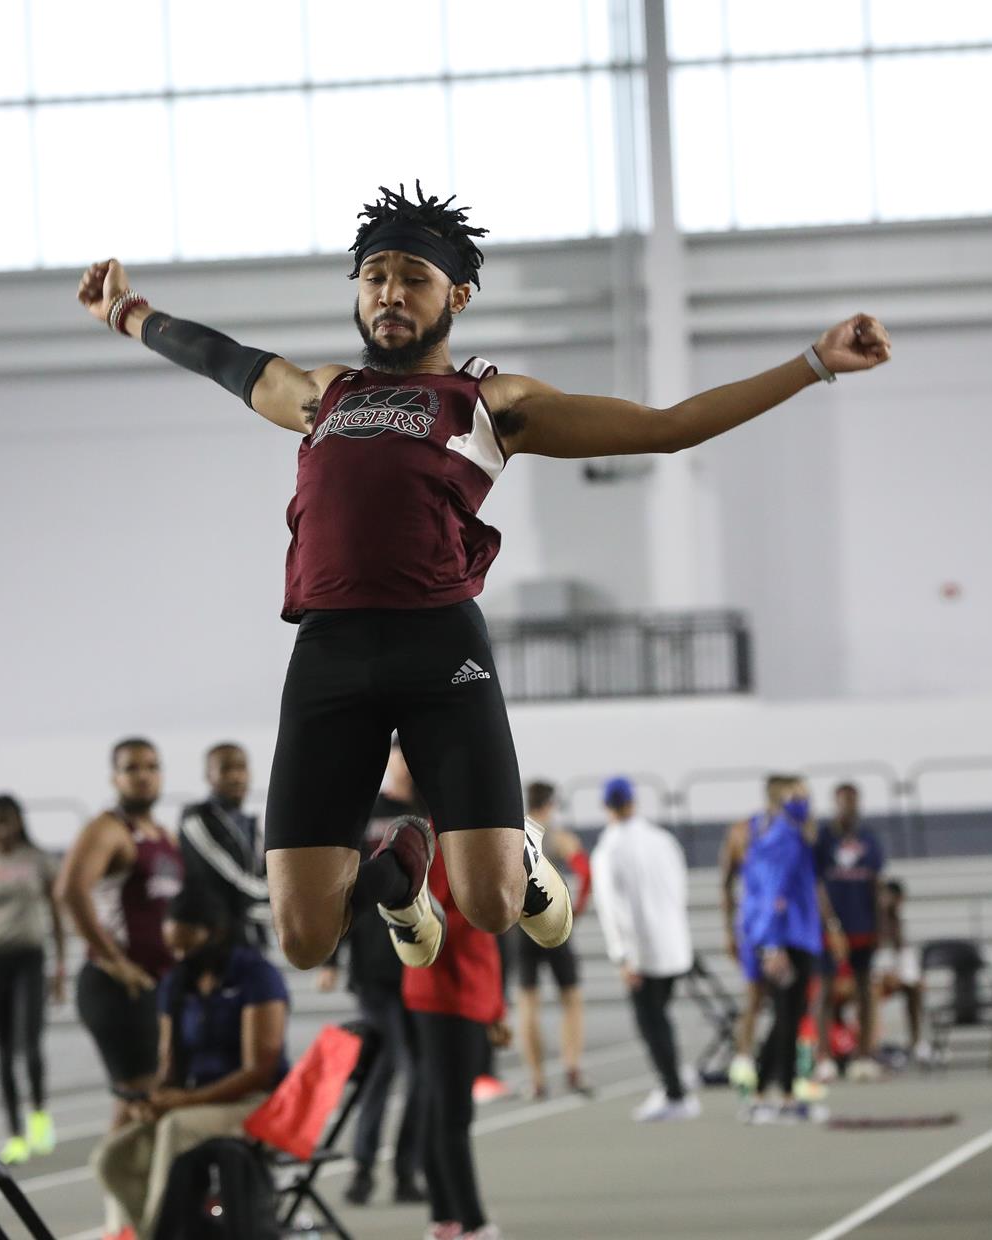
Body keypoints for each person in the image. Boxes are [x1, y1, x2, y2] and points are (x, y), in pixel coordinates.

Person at [77, 186, 891, 985]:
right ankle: (401, 884)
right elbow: (222, 360)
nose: (390, 292)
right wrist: (127, 312)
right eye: (375, 276)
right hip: (330, 654)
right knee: (302, 937)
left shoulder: (490, 402)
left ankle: (521, 851)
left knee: (496, 905)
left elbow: (668, 427)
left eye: (413, 277)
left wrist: (815, 362)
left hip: (441, 652)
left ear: (456, 295)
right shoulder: (322, 395)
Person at [97, 883, 290, 1239]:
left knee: (176, 1127)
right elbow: (169, 1067)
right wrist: (151, 1101)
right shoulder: (176, 984)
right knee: (112, 1157)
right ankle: (155, 1230)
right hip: (200, 1102)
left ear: (216, 933)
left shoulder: (256, 975)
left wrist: (185, 1101)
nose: (181, 955)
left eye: (188, 945)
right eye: (174, 948)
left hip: (258, 1103)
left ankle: (156, 1236)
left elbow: (258, 1071)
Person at [56, 739, 185, 1137]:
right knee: (139, 1100)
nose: (143, 775)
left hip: (157, 984)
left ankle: (147, 1194)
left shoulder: (164, 836)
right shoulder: (108, 829)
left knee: (152, 1098)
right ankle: (125, 1192)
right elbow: (70, 891)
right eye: (131, 768)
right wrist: (117, 961)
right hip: (119, 987)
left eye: (151, 766)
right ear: (115, 778)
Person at [319, 738, 427, 1207]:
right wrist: (330, 956)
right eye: (401, 754)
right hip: (375, 969)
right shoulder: (367, 812)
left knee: (417, 1074)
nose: (407, 764)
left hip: (423, 969)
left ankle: (404, 1171)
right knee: (386, 1070)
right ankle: (364, 1170)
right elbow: (341, 885)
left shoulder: (436, 811)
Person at [402, 843, 509, 1240]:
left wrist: (495, 1006)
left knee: (439, 1109)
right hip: (447, 991)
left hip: (455, 990)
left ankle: (446, 1217)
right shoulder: (442, 842)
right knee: (452, 1114)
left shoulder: (452, 837)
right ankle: (471, 1222)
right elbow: (442, 917)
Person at [0, 793, 67, 1164]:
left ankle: (39, 1116)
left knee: (31, 1043)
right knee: (2, 1050)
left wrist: (60, 969)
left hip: (29, 958)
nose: (1, 828)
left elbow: (56, 917)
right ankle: (15, 1133)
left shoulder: (38, 861)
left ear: (20, 821)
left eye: (7, 820)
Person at [590, 777, 697, 1122]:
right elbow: (680, 889)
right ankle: (673, 1085)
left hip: (643, 952)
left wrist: (623, 955)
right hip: (673, 944)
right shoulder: (662, 839)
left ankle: (674, 1091)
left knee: (652, 1023)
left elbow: (612, 909)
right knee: (660, 1018)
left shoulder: (609, 849)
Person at [740, 777, 837, 1124]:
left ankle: (768, 1094)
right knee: (788, 1018)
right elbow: (771, 894)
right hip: (788, 941)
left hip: (799, 937)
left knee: (788, 1018)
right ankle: (780, 1094)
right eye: (797, 796)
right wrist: (771, 945)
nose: (805, 802)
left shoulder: (791, 835)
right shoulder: (782, 836)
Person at [512, 780, 591, 1102]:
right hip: (554, 921)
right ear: (551, 804)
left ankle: (536, 1079)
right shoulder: (558, 838)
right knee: (570, 998)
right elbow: (585, 873)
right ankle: (572, 1066)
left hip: (520, 925)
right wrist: (576, 910)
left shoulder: (513, 838)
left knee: (527, 1003)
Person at [719, 773, 794, 1091]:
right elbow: (726, 884)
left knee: (788, 1001)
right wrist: (730, 932)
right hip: (756, 927)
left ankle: (779, 1063)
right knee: (755, 996)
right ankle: (745, 1060)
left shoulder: (793, 832)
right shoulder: (742, 832)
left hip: (787, 926)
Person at [814, 782, 885, 1079]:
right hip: (832, 927)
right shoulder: (823, 838)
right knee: (826, 990)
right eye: (843, 801)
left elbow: (876, 883)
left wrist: (879, 924)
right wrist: (831, 924)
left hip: (863, 924)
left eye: (853, 801)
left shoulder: (868, 839)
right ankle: (824, 1057)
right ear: (835, 803)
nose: (848, 807)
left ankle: (864, 1055)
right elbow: (817, 885)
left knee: (865, 990)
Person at [177, 742, 272, 947]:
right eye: (225, 769)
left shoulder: (251, 824)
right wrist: (281, 898)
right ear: (208, 775)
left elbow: (265, 873)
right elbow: (233, 880)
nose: (235, 776)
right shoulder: (197, 818)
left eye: (241, 768)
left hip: (253, 939)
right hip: (213, 942)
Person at [873, 879, 927, 1061]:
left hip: (891, 976)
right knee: (871, 993)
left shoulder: (896, 922)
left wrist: (912, 977)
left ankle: (917, 1042)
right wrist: (882, 975)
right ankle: (871, 1045)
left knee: (914, 989)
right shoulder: (870, 920)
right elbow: (867, 957)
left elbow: (903, 954)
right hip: (868, 978)